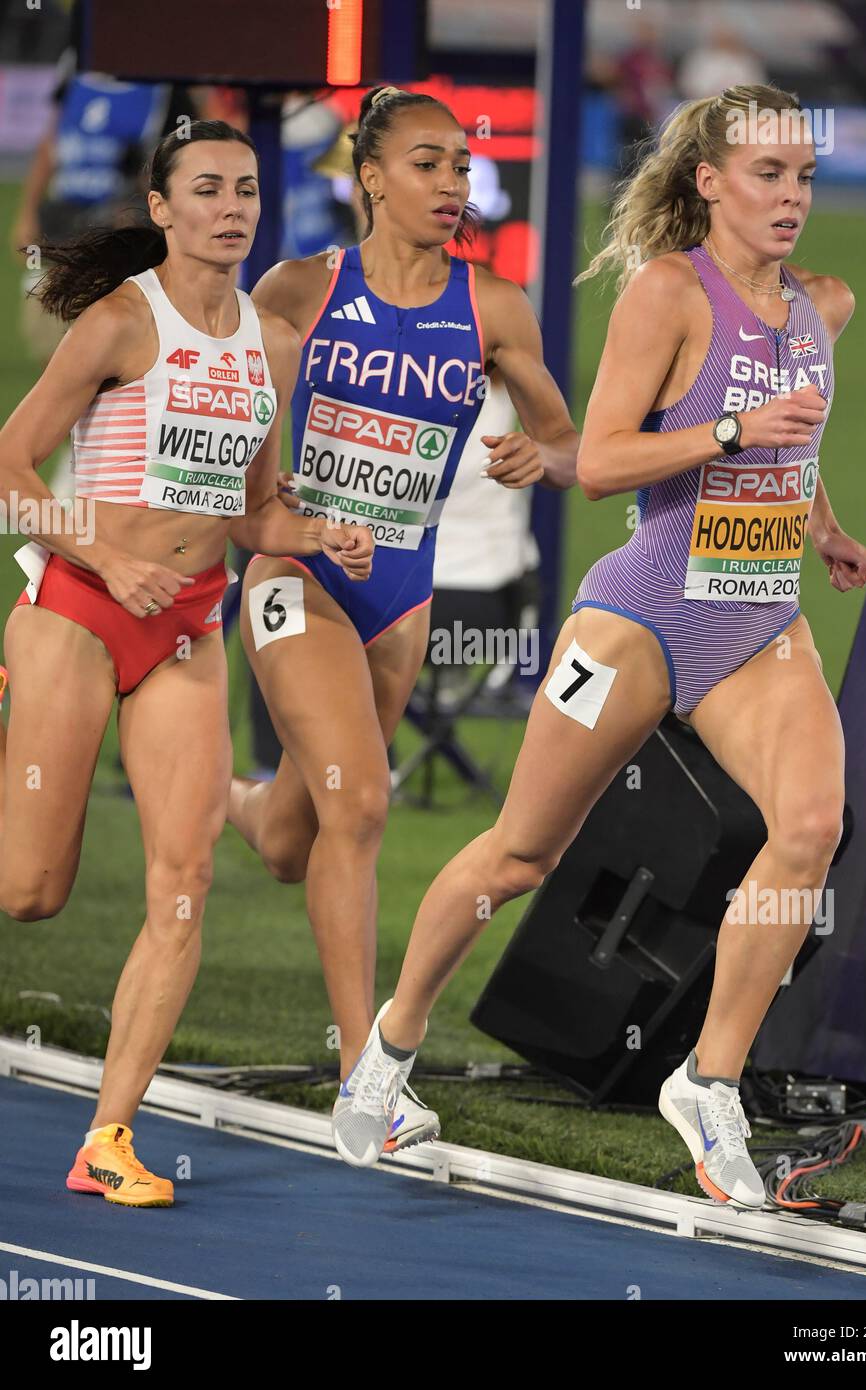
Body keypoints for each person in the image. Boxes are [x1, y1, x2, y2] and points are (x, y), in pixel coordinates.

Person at [331, 85, 866, 1207]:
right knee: (521, 852)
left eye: (805, 177)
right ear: (710, 181)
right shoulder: (671, 295)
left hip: (759, 617)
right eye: (769, 175)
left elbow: (797, 436)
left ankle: (709, 1080)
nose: (792, 198)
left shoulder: (823, 303)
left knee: (811, 825)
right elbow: (600, 459)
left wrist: (822, 527)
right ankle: (387, 1052)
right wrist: (729, 427)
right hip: (641, 613)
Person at [0, 119, 372, 1207]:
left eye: (247, 188)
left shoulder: (273, 343)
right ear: (162, 209)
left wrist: (320, 531)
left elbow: (260, 508)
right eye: (207, 188)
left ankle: (106, 1137)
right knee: (29, 893)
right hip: (77, 607)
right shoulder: (121, 320)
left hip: (186, 630)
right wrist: (108, 558)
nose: (232, 206)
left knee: (187, 878)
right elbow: (11, 462)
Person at [225, 85, 578, 1152]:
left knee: (295, 836)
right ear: (370, 177)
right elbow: (237, 462)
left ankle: (217, 799)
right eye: (429, 163)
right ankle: (363, 1077)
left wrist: (540, 457)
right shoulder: (296, 290)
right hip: (299, 581)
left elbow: (573, 444)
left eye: (463, 167)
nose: (452, 184)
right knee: (363, 805)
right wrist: (291, 525)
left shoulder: (494, 308)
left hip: (403, 600)